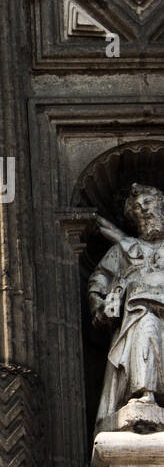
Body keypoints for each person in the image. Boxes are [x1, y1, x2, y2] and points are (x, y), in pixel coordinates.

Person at [90, 183, 164, 430]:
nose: (144, 211)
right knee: (147, 328)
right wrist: (101, 305)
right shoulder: (122, 250)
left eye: (149, 204)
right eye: (138, 208)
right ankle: (146, 394)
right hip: (140, 313)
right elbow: (98, 282)